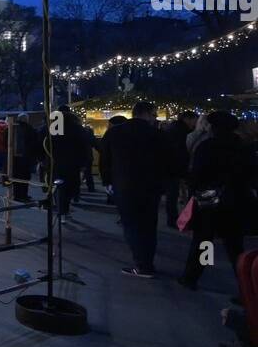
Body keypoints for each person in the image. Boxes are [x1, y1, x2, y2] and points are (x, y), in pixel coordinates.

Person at [177, 112, 257, 290]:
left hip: (209, 202)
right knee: (235, 245)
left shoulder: (207, 146)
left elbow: (196, 175)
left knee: (204, 241)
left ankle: (194, 276)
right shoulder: (244, 147)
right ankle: (245, 287)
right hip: (237, 201)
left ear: (213, 127)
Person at [98, 101, 171, 278]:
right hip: (150, 187)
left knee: (131, 225)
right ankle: (147, 263)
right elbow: (166, 162)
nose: (155, 119)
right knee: (148, 225)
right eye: (154, 115)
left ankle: (141, 263)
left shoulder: (115, 133)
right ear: (146, 114)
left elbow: (104, 160)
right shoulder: (157, 134)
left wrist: (108, 181)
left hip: (124, 185)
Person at [163, 111, 198, 228]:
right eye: (194, 120)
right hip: (176, 167)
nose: (195, 123)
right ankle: (177, 220)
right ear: (188, 119)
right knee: (174, 194)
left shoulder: (172, 128)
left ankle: (172, 219)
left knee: (172, 195)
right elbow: (181, 152)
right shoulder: (182, 131)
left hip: (169, 166)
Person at [11, 113, 39, 202]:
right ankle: (23, 195)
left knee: (16, 178)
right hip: (26, 158)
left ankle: (16, 195)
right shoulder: (30, 129)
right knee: (25, 178)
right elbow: (34, 144)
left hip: (14, 158)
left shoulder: (13, 128)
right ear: (26, 119)